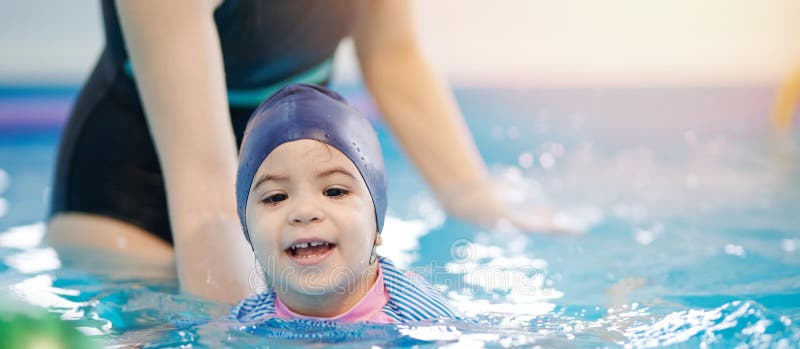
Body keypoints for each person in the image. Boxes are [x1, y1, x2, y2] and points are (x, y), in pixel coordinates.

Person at [47, 0, 569, 304]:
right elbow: (208, 204)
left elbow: (393, 56)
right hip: (132, 203)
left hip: (293, 183)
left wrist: (473, 195)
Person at [231, 83, 458, 324]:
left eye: (334, 191)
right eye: (275, 197)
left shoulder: (424, 317)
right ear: (249, 234)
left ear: (376, 224)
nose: (304, 212)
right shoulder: (246, 323)